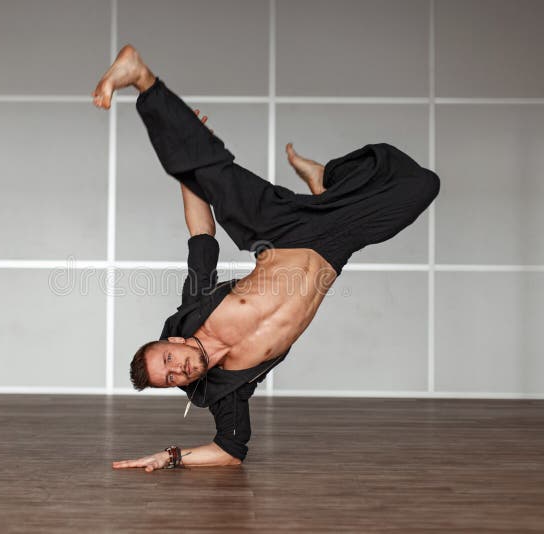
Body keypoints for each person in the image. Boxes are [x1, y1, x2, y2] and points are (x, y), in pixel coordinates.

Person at [93, 45, 440, 471]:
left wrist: (189, 172)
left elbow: (202, 233)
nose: (178, 371)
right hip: (335, 248)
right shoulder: (227, 391)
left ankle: (140, 77)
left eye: (169, 359)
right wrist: (172, 457)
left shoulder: (194, 307)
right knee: (421, 186)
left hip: (283, 234)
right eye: (171, 379)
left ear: (175, 341)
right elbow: (230, 451)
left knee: (212, 172)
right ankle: (326, 182)